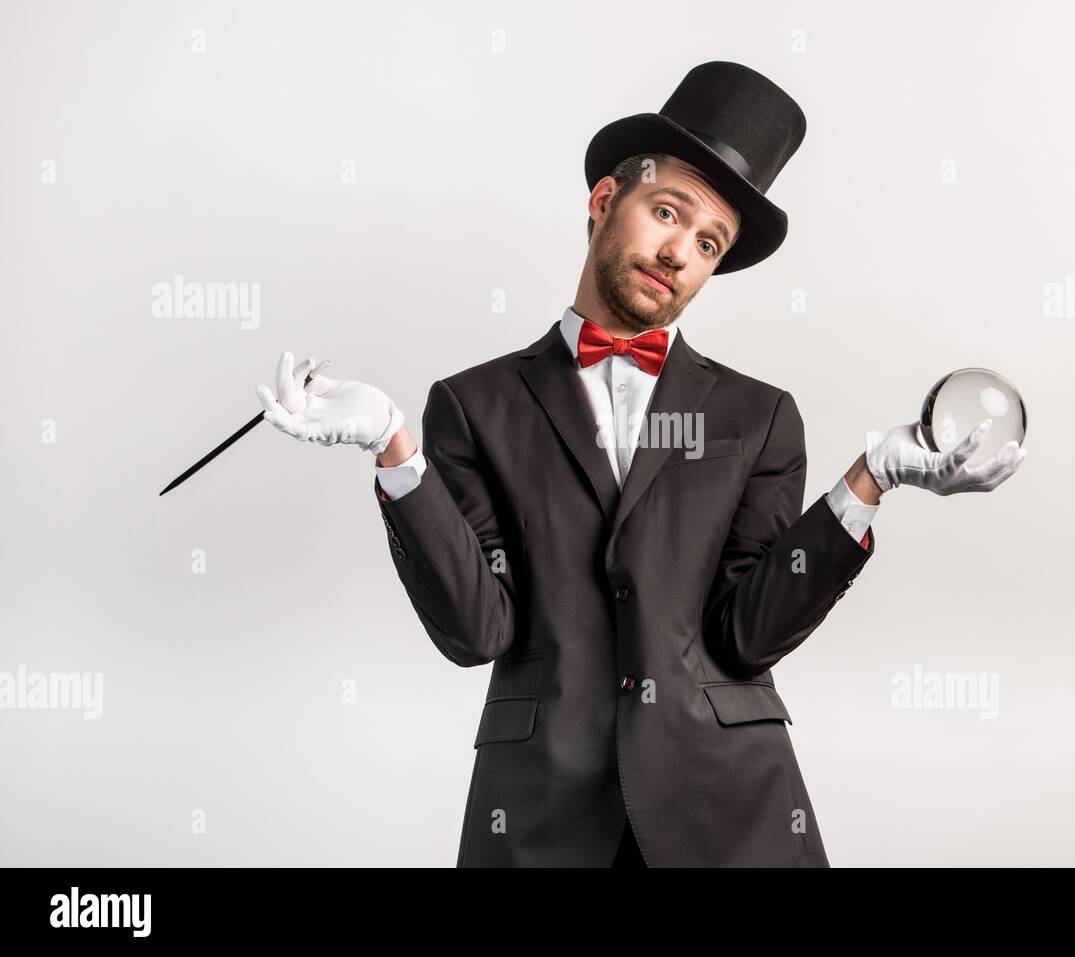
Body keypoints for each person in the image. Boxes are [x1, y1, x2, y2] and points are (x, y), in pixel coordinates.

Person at [256, 61, 1026, 867]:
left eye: (707, 244)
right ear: (602, 203)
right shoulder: (472, 405)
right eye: (668, 212)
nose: (680, 254)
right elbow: (477, 630)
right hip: (541, 813)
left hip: (731, 809)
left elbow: (746, 635)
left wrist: (870, 480)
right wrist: (394, 449)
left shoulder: (759, 417)